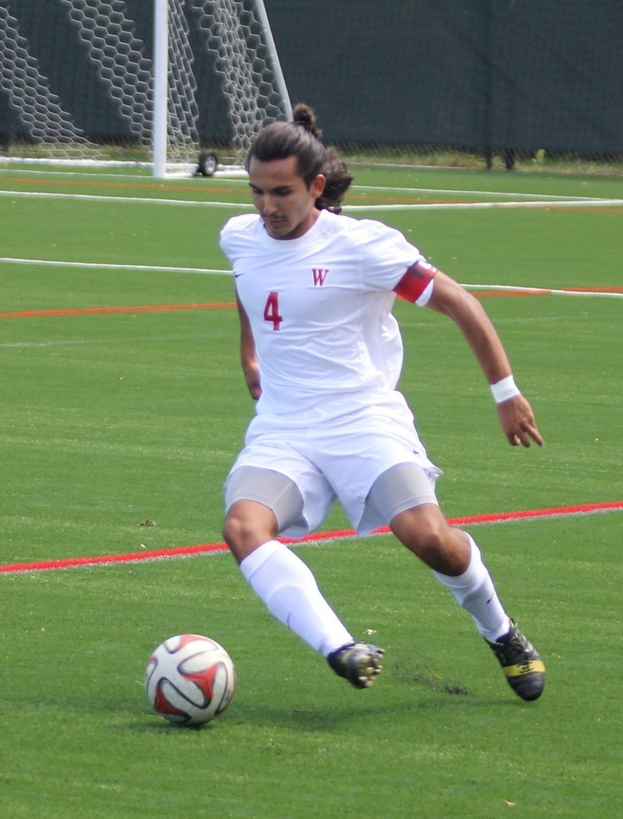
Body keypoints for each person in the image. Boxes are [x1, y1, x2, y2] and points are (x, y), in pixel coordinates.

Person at [219, 104, 546, 701]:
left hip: (364, 421)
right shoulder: (239, 235)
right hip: (285, 430)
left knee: (429, 538)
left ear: (316, 187)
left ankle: (499, 630)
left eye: (282, 193)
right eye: (257, 191)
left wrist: (506, 393)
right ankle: (341, 648)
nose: (266, 207)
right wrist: (250, 353)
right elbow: (249, 286)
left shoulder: (365, 248)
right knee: (244, 525)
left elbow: (461, 305)